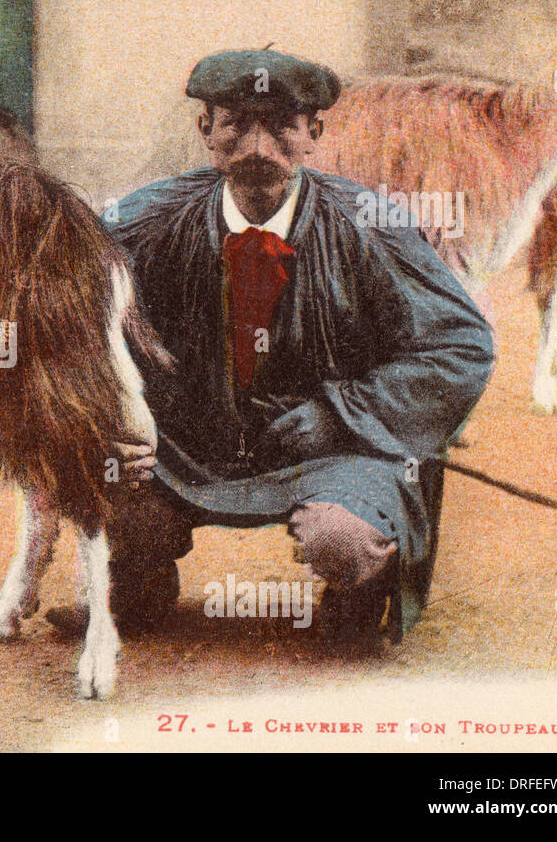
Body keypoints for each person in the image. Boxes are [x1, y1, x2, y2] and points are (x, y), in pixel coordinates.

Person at [46, 49, 494, 645]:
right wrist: (109, 424)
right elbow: (66, 329)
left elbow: (460, 344)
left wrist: (341, 414)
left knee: (344, 537)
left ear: (314, 134)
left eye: (282, 126)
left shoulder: (373, 225)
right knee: (101, 466)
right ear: (205, 130)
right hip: (184, 452)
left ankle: (356, 592)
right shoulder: (139, 222)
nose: (258, 148)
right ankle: (135, 580)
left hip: (336, 453)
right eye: (235, 124)